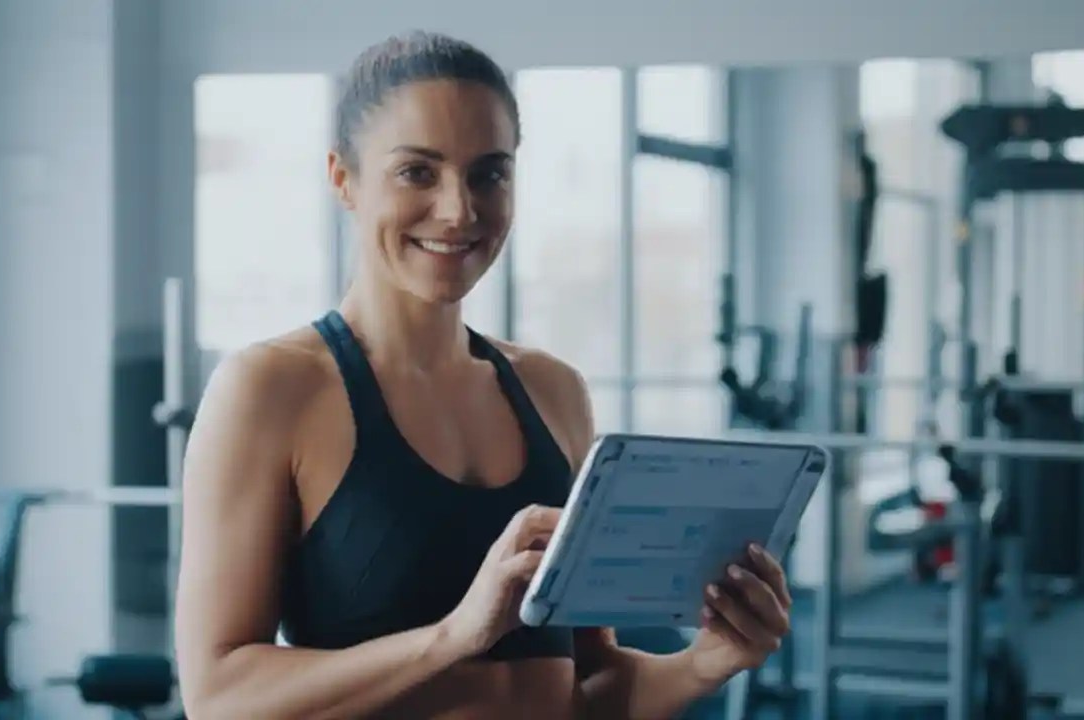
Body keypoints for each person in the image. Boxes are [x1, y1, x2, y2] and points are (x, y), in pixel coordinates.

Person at [173, 30, 792, 720]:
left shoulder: (553, 391)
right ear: (342, 178)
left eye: (488, 174)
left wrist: (705, 663)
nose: (459, 210)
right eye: (417, 172)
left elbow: (588, 687)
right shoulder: (271, 390)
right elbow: (218, 696)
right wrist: (453, 635)